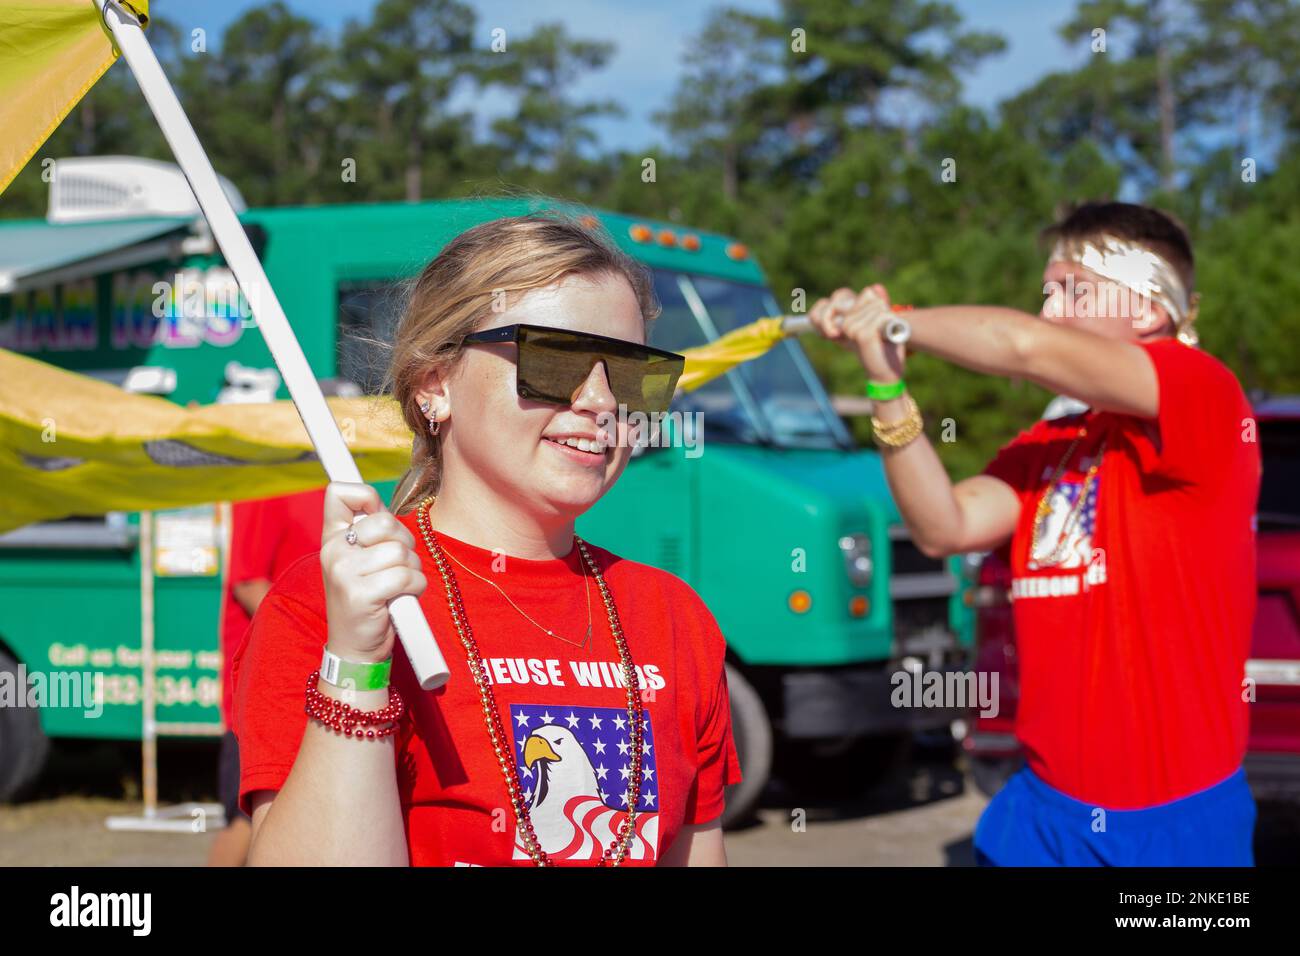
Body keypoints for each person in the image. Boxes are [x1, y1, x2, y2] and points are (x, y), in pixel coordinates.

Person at [232, 212, 741, 866]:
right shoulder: (330, 605)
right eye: (553, 360)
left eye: (630, 371)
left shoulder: (676, 619)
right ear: (434, 385)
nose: (601, 401)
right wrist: (358, 664)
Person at [808, 201, 1259, 866]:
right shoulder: (1049, 443)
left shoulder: (1206, 397)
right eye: (1046, 294)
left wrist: (893, 320)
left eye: (1073, 291)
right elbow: (943, 527)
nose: (1051, 311)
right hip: (1043, 811)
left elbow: (1024, 345)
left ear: (1148, 307)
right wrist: (884, 378)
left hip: (1171, 824)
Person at [208, 486, 326, 867]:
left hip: (322, 681)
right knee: (247, 819)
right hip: (271, 688)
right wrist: (325, 634)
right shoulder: (268, 481)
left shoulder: (341, 478)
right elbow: (248, 582)